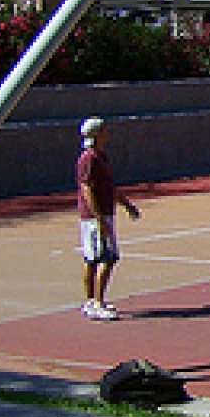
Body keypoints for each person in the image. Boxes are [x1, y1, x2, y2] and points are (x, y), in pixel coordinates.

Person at [76, 117, 140, 320]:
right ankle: (95, 303)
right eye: (104, 130)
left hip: (104, 213)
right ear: (97, 134)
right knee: (104, 258)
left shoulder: (101, 157)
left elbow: (109, 187)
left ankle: (93, 301)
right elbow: (87, 189)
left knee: (97, 257)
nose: (107, 133)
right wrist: (98, 218)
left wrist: (126, 204)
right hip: (96, 216)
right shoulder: (89, 158)